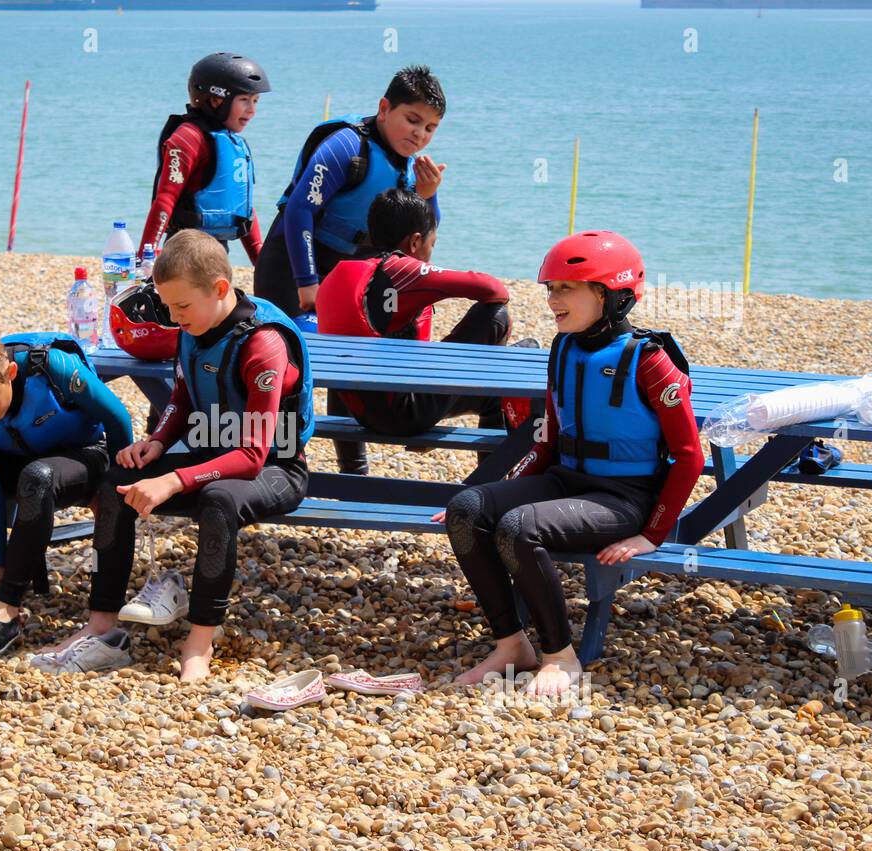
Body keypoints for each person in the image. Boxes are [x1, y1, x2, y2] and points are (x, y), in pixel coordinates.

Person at [37, 230, 313, 682]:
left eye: (181, 307)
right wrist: (159, 443)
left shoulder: (264, 346)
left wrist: (173, 480)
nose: (173, 317)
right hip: (213, 455)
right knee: (114, 482)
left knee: (219, 501)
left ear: (220, 289)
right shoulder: (193, 327)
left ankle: (201, 639)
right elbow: (184, 397)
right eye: (168, 306)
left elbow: (252, 456)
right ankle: (102, 626)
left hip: (276, 468)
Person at [435, 231, 702, 697]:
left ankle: (561, 657)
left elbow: (689, 456)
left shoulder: (650, 360)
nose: (552, 300)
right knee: (466, 509)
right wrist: (491, 497)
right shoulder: (562, 348)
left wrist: (650, 534)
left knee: (519, 527)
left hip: (624, 497)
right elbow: (549, 443)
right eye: (550, 288)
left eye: (566, 288)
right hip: (566, 480)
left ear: (610, 295)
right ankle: (512, 645)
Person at [316, 188, 527, 474]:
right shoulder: (402, 270)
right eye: (432, 243)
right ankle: (487, 486)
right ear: (415, 242)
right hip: (406, 414)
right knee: (496, 316)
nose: (430, 252)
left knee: (349, 354)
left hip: (361, 412)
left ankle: (353, 469)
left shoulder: (342, 275)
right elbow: (493, 290)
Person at [0, 329, 134, 659]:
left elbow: (118, 419)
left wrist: (116, 488)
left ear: (10, 374)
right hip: (23, 459)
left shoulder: (52, 366)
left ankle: (8, 606)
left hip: (86, 454)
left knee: (38, 476)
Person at [253, 64, 447, 319]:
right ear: (384, 109)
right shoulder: (345, 146)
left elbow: (422, 245)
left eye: (430, 128)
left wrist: (428, 195)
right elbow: (300, 210)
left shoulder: (411, 169)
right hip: (292, 264)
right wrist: (307, 281)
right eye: (412, 120)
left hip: (350, 272)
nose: (419, 134)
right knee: (292, 351)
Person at [141, 53, 270, 264]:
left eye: (256, 101)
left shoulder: (232, 143)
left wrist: (261, 261)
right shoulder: (188, 138)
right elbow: (165, 199)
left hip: (216, 253)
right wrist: (143, 259)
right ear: (216, 100)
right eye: (244, 100)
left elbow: (242, 205)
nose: (252, 110)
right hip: (185, 250)